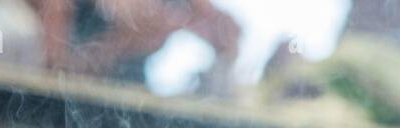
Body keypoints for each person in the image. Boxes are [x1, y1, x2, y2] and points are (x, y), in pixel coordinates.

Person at [25, 0, 240, 83]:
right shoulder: (59, 7)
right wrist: (123, 43)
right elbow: (55, 71)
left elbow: (227, 32)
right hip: (71, 109)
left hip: (135, 102)